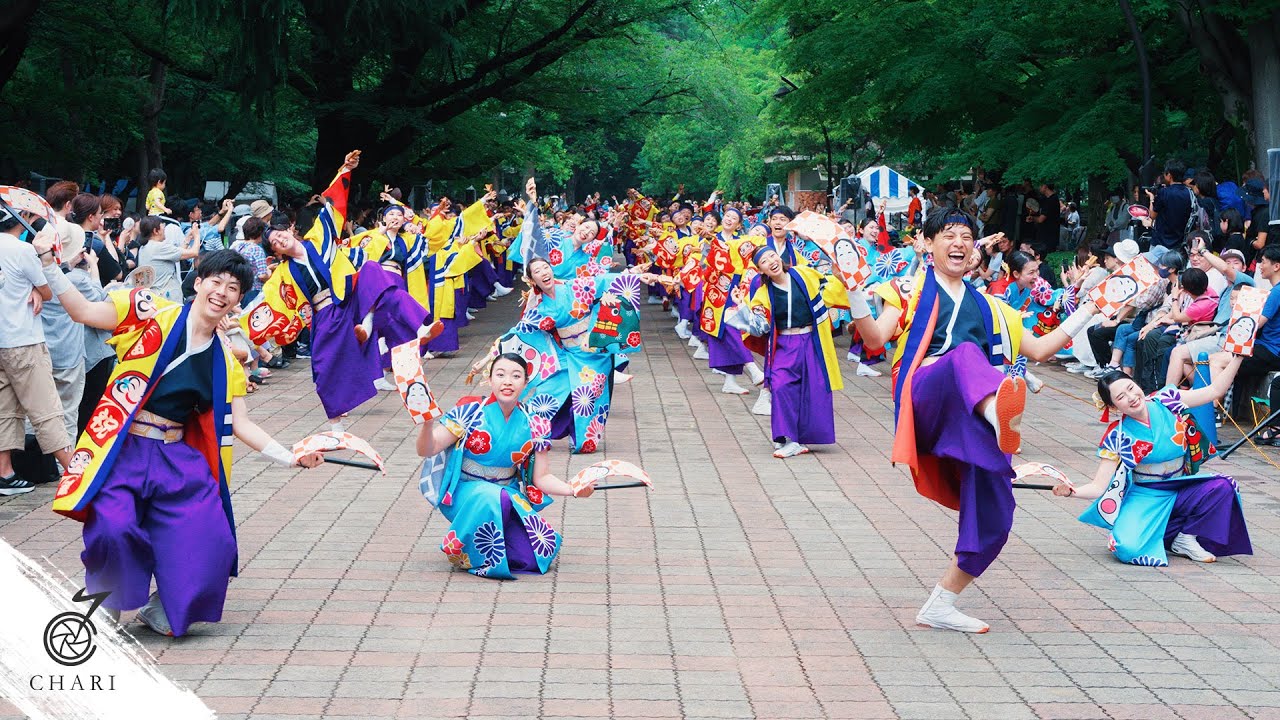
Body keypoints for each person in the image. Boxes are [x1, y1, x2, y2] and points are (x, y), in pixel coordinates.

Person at [32, 240, 326, 637]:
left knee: (213, 539)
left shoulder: (225, 358)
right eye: (215, 281)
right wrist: (49, 262)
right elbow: (82, 311)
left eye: (233, 288)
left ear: (239, 299)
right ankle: (109, 600)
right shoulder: (151, 311)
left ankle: (162, 606)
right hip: (123, 450)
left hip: (175, 458)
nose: (221, 292)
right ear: (198, 282)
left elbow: (241, 423)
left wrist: (292, 456)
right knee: (113, 529)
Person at [847, 210, 1099, 633]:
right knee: (964, 355)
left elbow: (1039, 351)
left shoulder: (992, 307)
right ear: (927, 244)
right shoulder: (906, 289)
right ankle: (995, 409)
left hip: (970, 413)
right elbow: (874, 340)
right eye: (948, 235)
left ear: (976, 250)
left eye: (967, 235)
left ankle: (941, 603)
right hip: (925, 395)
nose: (959, 242)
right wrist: (855, 290)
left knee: (996, 512)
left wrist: (1093, 308)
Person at [416, 353, 597, 579]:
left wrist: (573, 489)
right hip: (465, 493)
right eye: (500, 375)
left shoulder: (536, 423)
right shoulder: (469, 411)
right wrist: (426, 424)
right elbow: (427, 449)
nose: (507, 381)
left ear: (526, 382)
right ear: (489, 379)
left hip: (507, 496)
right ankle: (460, 547)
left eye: (516, 375)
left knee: (530, 559)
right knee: (491, 497)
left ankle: (476, 546)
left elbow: (542, 477)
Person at [1052, 363, 1251, 566]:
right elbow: (1098, 487)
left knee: (1224, 487)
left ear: (1136, 383)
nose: (1131, 397)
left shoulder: (1167, 400)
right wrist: (1070, 491)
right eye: (1120, 397)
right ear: (1113, 407)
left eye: (1130, 388)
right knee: (1126, 548)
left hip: (1181, 486)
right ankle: (1164, 533)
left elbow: (1214, 390)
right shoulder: (1117, 435)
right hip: (1145, 494)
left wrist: (1238, 357)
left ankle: (1185, 536)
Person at [728, 246, 848, 458]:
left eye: (772, 256)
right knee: (781, 385)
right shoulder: (764, 292)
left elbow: (829, 287)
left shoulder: (804, 274)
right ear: (761, 270)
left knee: (814, 387)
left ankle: (801, 438)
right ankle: (786, 437)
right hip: (784, 343)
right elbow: (760, 326)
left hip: (812, 340)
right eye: (764, 261)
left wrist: (841, 277)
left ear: (779, 257)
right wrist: (740, 306)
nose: (771, 261)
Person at [0, 209, 73, 494]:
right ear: (23, 217)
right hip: (24, 340)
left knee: (4, 409)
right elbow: (47, 291)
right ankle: (75, 471)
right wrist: (34, 288)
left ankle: (4, 473)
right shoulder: (22, 250)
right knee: (46, 409)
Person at [137, 215, 199, 302]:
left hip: (156, 296)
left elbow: (177, 254)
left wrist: (188, 239)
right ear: (156, 231)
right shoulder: (159, 247)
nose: (164, 231)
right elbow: (194, 252)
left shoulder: (145, 247)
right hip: (166, 299)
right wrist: (197, 235)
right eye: (163, 228)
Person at [1150, 159, 1194, 252]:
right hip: (1180, 243)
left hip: (1161, 243)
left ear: (1169, 175)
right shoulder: (1189, 193)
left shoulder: (1164, 192)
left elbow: (1152, 215)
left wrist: (1151, 198)